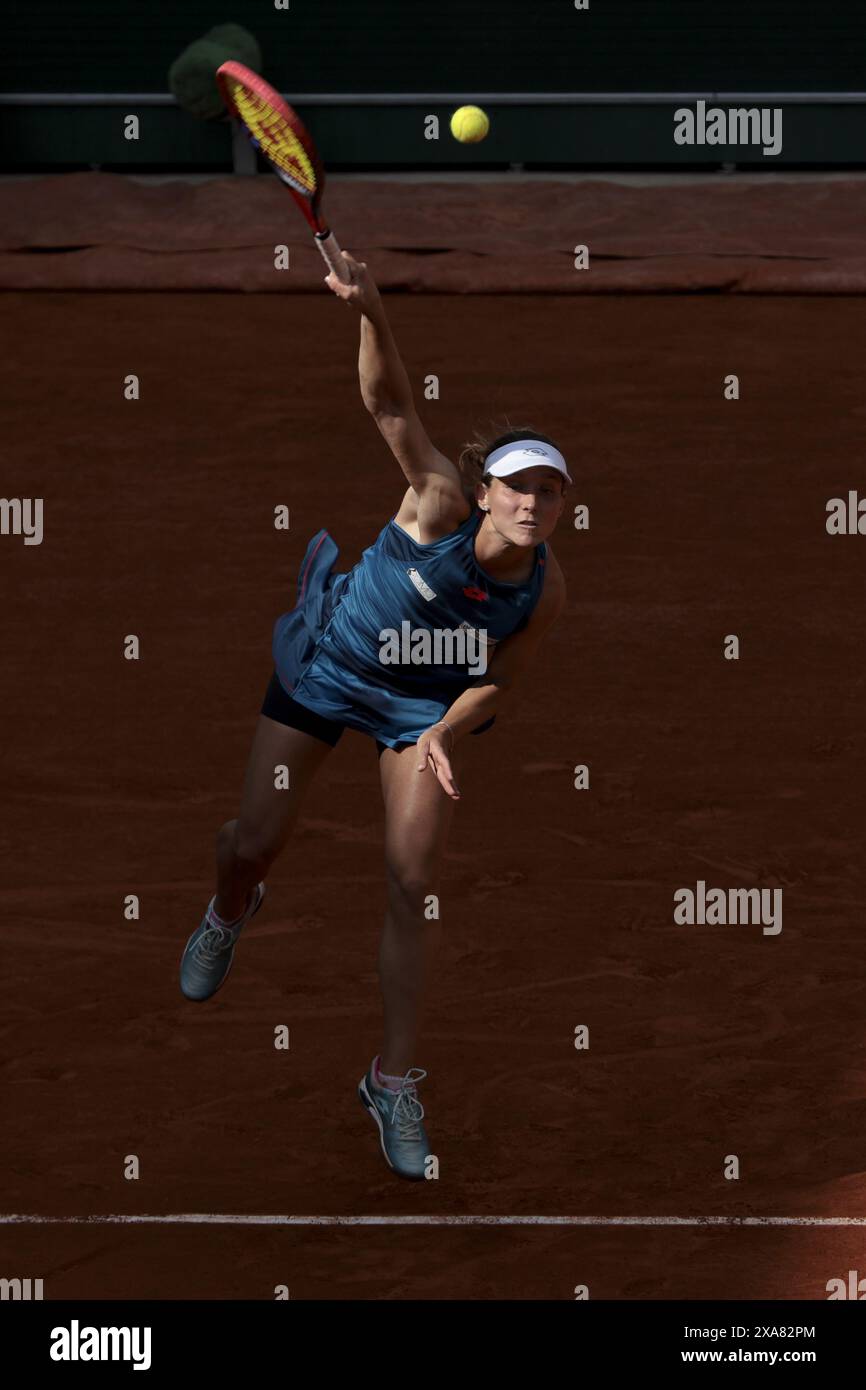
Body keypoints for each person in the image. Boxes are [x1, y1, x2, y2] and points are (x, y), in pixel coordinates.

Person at [179, 251, 569, 1180]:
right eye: (518, 486)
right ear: (483, 492)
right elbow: (391, 406)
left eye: (550, 491)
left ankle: (390, 1082)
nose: (532, 502)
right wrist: (373, 310)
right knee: (250, 842)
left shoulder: (547, 595)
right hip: (330, 668)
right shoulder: (435, 504)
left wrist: (440, 732)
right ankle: (232, 908)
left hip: (417, 712)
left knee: (409, 881)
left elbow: (500, 680)